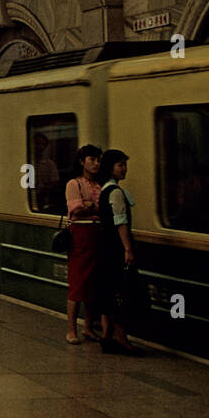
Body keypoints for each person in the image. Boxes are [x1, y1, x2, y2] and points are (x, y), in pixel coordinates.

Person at [97, 149, 143, 356]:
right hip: (116, 248)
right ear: (110, 168)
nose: (124, 169)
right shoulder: (115, 192)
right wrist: (127, 248)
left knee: (108, 292)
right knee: (121, 292)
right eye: (120, 165)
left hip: (106, 247)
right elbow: (120, 222)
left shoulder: (104, 190)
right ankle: (121, 338)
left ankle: (106, 336)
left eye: (125, 164)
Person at [64, 144, 103, 344]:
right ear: (82, 162)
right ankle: (71, 329)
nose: (96, 164)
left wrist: (89, 206)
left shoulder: (98, 185)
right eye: (92, 160)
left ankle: (88, 327)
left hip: (96, 235)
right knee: (77, 283)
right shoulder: (74, 184)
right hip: (79, 236)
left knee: (92, 283)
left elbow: (99, 209)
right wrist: (94, 207)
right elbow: (76, 210)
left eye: (98, 160)